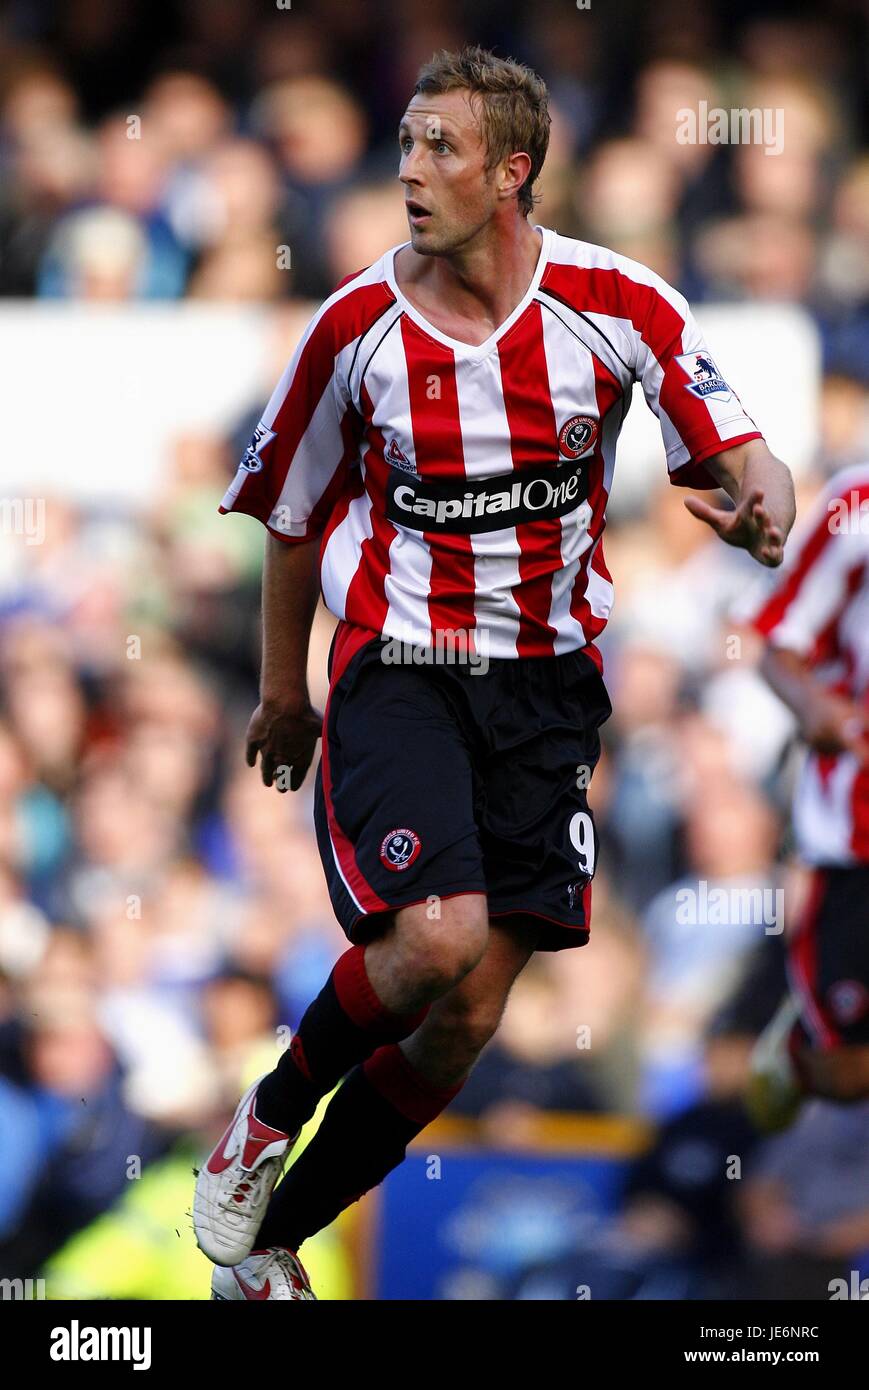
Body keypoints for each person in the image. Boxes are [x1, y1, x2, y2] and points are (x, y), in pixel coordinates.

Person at [193, 45, 795, 1301]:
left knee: (466, 1016)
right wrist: (282, 691)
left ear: (511, 172)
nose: (410, 170)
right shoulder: (352, 325)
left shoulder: (615, 303)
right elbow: (290, 520)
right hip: (401, 665)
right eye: (406, 143)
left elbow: (740, 451)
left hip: (548, 685)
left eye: (441, 149)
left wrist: (756, 506)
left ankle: (269, 1244)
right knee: (433, 941)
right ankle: (257, 1125)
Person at [746, 464, 869, 1131]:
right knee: (844, 1075)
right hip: (856, 826)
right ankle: (804, 1035)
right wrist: (812, 704)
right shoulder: (856, 505)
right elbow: (776, 641)